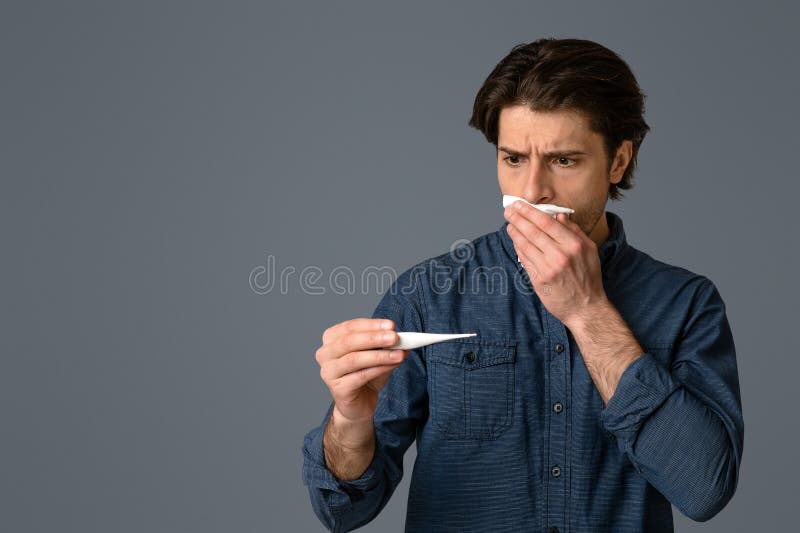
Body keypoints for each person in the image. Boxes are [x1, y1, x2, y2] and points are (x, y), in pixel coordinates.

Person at [301, 37, 744, 533]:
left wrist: (588, 312)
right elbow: (342, 510)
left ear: (618, 161)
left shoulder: (685, 304)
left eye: (563, 160)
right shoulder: (429, 295)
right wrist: (350, 422)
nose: (532, 191)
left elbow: (704, 489)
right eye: (513, 159)